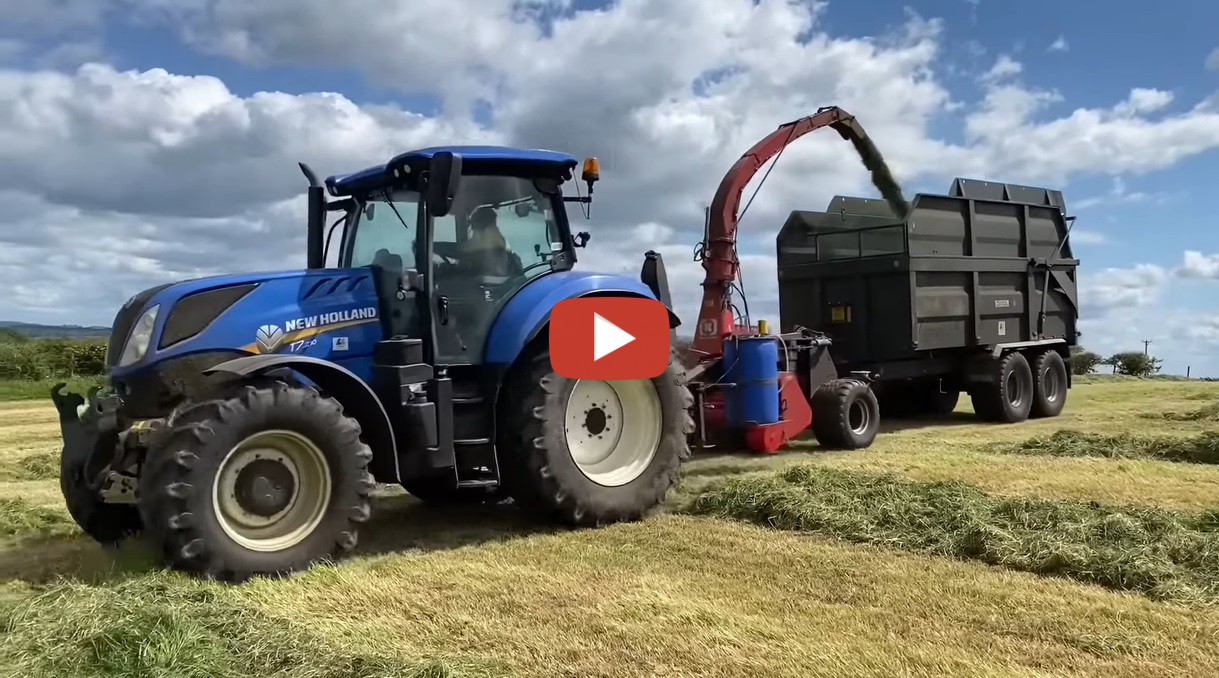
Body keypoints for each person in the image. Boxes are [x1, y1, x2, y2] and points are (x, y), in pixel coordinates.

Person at [459, 206, 512, 277]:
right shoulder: (496, 237)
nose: (473, 232)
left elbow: (467, 249)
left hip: (493, 281)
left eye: (474, 228)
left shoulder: (491, 237)